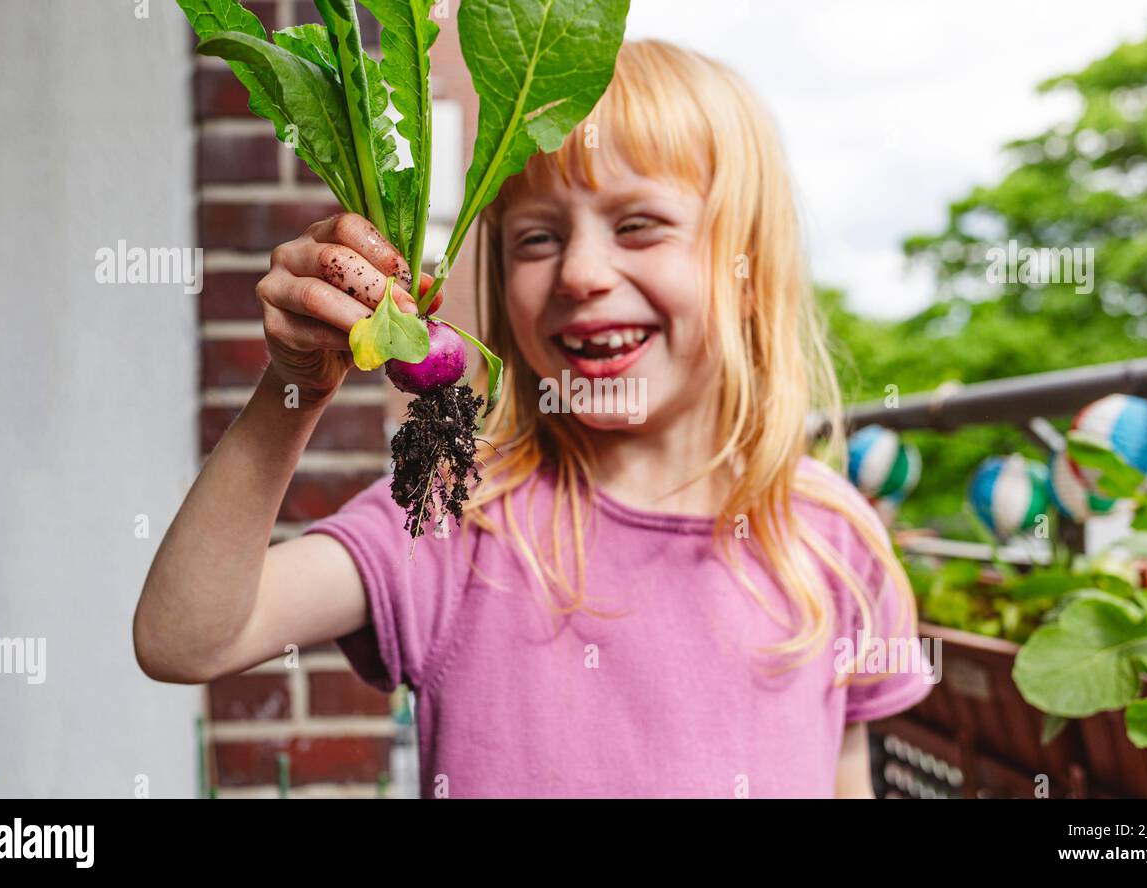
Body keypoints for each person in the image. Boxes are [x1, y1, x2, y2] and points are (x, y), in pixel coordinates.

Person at [134, 39, 932, 799]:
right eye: (538, 239)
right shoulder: (456, 517)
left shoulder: (831, 538)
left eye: (638, 226)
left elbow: (845, 780)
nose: (580, 273)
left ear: (750, 271)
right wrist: (294, 391)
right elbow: (188, 638)